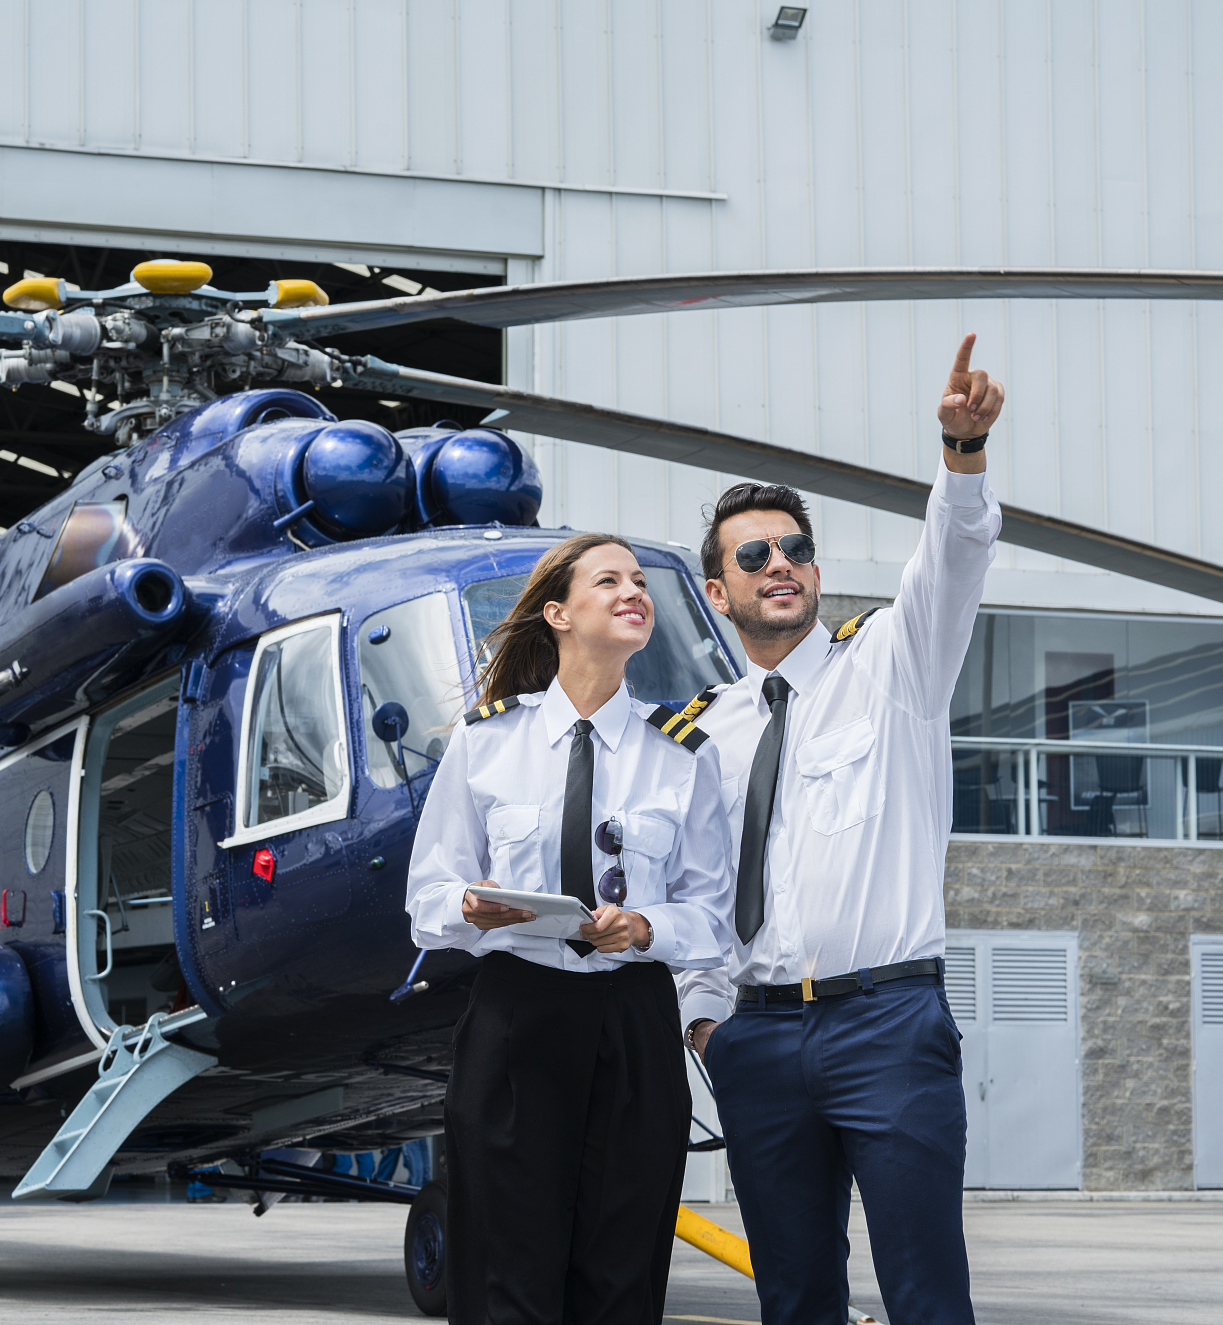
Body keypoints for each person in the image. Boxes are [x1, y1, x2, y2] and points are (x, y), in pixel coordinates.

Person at [678, 335, 1005, 1325]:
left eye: (795, 549)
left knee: (924, 1296)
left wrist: (960, 456)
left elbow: (950, 559)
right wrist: (704, 1022)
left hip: (886, 1028)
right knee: (793, 1296)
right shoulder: (703, 734)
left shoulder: (891, 667)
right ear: (716, 590)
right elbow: (691, 889)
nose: (780, 565)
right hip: (757, 1037)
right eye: (754, 555)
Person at [407, 532, 736, 1325]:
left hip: (632, 1018)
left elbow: (714, 917)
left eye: (640, 582)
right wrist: (472, 907)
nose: (635, 592)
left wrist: (647, 927)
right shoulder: (486, 744)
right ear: (557, 612)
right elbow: (427, 897)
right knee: (505, 1269)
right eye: (609, 580)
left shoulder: (682, 754)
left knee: (622, 1269)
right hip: (517, 1013)